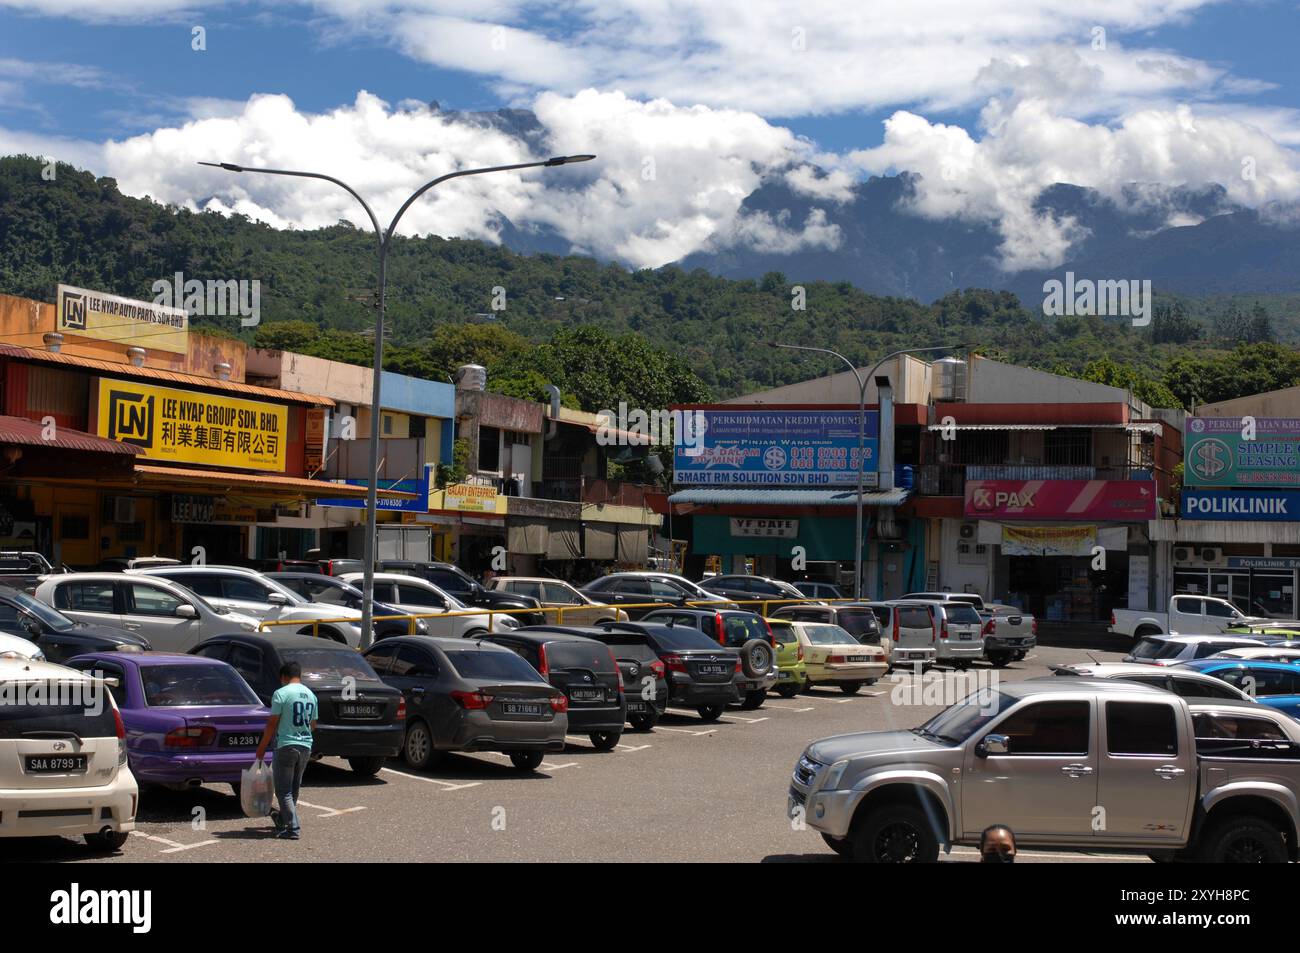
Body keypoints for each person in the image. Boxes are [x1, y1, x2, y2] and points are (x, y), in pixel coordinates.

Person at [253, 661, 317, 841]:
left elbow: (272, 724)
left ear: (284, 677)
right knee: (294, 789)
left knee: (283, 791)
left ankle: (293, 827)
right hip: (305, 746)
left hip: (286, 745)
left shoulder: (281, 694)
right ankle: (284, 819)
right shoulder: (311, 695)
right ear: (300, 675)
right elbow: (313, 725)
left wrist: (261, 748)